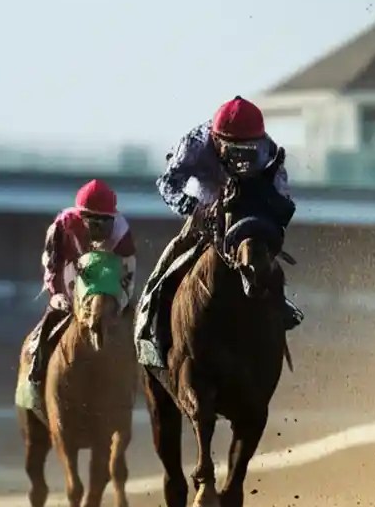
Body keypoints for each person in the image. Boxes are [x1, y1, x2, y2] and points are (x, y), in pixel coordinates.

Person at [135, 96, 300, 370]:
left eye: (247, 150)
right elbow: (167, 183)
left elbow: (283, 198)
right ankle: (151, 328)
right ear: (215, 139)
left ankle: (280, 307)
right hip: (204, 214)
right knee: (166, 268)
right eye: (233, 149)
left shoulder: (268, 150)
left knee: (268, 263)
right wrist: (190, 206)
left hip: (246, 213)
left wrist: (273, 222)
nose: (241, 159)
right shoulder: (194, 144)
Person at [22, 179, 136, 403]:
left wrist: (120, 301)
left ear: (113, 218)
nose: (97, 228)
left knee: (133, 321)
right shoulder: (62, 225)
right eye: (91, 221)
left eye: (104, 221)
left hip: (108, 278)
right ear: (79, 215)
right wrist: (57, 296)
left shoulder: (122, 233)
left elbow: (128, 272)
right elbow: (52, 265)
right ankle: (36, 373)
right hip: (71, 272)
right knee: (52, 319)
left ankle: (138, 378)